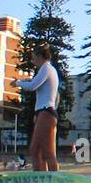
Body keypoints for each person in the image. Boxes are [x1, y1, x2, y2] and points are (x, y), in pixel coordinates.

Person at [17, 44, 60, 172]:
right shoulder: (46, 70)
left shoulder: (46, 68)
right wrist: (22, 81)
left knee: (48, 152)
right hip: (43, 112)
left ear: (40, 56)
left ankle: (55, 178)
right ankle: (41, 178)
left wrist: (17, 83)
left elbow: (32, 86)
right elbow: (34, 83)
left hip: (46, 112)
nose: (33, 61)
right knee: (35, 150)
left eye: (34, 57)